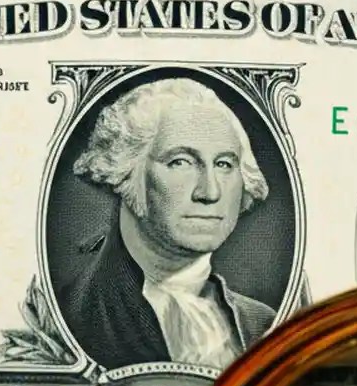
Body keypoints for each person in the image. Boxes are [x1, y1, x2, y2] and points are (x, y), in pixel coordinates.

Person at [58, 77, 277, 370]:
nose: (209, 192)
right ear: (125, 171)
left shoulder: (263, 323)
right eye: (180, 162)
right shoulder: (68, 318)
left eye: (224, 164)